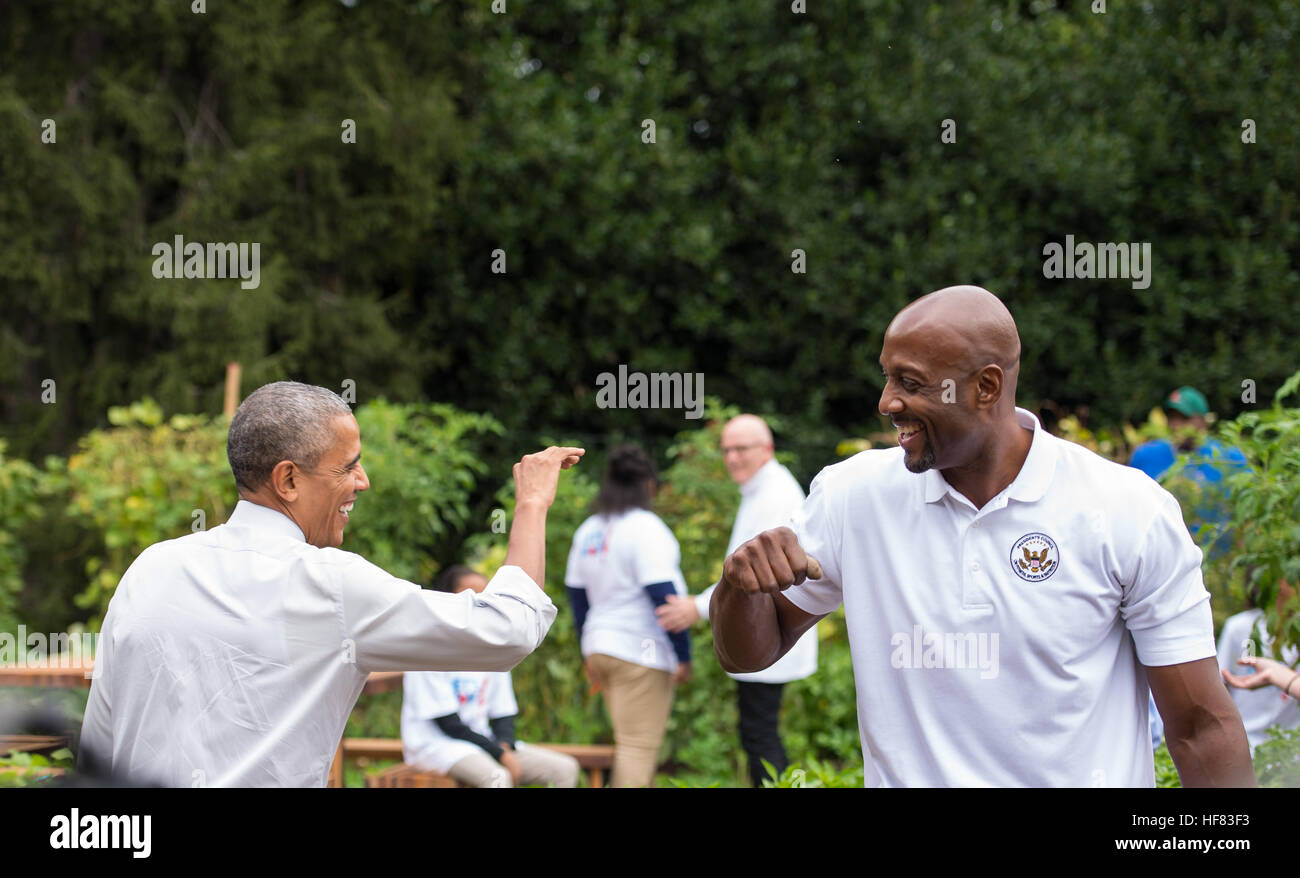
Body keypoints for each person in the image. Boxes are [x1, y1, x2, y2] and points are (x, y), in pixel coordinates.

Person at [712, 285, 1255, 787]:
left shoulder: (1124, 509)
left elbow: (1199, 726)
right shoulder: (853, 496)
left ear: (986, 386)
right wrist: (739, 587)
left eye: (910, 382)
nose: (886, 401)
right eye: (886, 377)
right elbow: (749, 655)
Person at [79, 381, 583, 787]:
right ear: (289, 480)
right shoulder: (331, 586)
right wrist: (532, 505)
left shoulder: (150, 568)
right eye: (348, 466)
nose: (362, 481)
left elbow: (97, 743)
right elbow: (510, 630)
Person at [655, 414, 817, 786]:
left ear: (767, 449)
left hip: (770, 630)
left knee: (759, 734)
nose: (731, 458)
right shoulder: (761, 489)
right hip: (763, 629)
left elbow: (750, 575)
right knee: (758, 731)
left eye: (741, 449)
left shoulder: (774, 495)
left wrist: (695, 607)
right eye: (726, 450)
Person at [564, 445, 690, 787]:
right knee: (638, 749)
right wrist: (683, 654)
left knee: (629, 742)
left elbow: (577, 597)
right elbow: (662, 593)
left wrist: (586, 649)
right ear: (649, 485)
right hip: (639, 649)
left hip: (600, 646)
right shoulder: (646, 527)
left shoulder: (590, 529)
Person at [401, 565, 580, 788]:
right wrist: (501, 755)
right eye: (471, 597)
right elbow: (449, 724)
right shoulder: (427, 648)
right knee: (498, 778)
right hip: (439, 746)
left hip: (484, 744)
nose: (479, 604)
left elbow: (502, 712)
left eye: (484, 597)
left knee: (564, 768)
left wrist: (505, 745)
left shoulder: (490, 648)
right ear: (447, 599)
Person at [1218, 580, 1300, 751]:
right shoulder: (1239, 626)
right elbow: (1221, 681)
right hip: (1248, 741)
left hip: (1291, 748)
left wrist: (1280, 676)